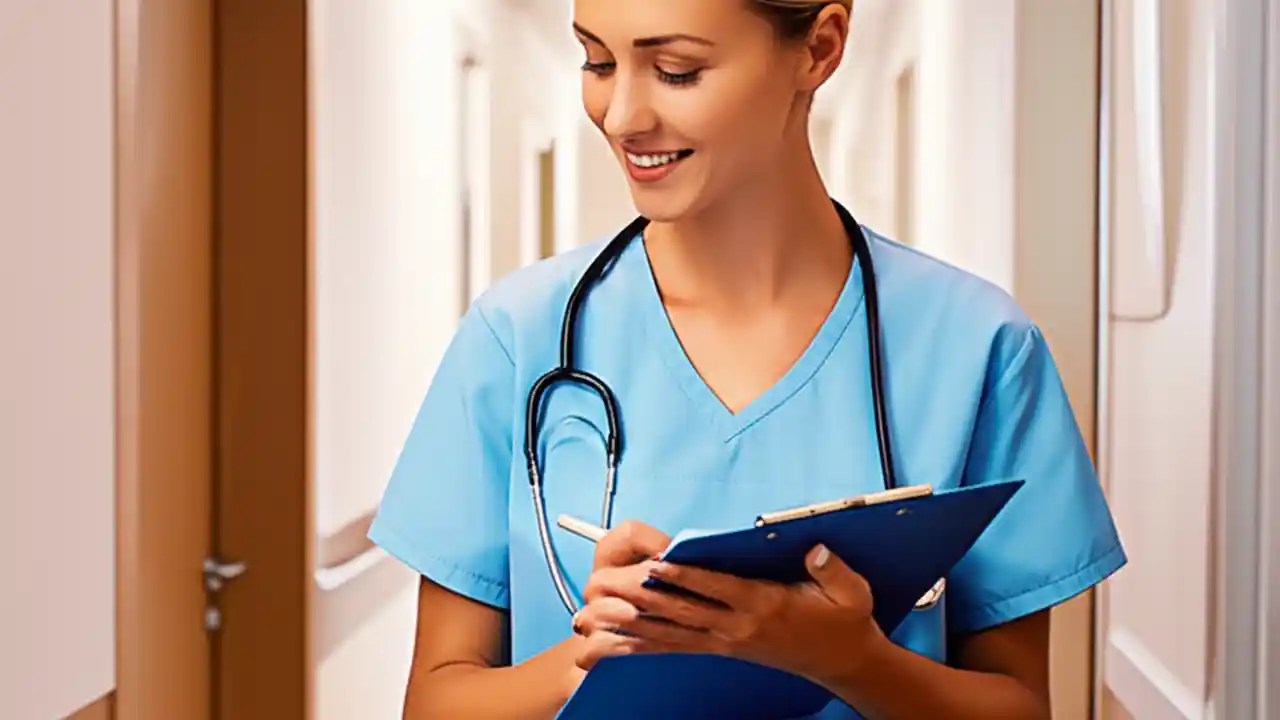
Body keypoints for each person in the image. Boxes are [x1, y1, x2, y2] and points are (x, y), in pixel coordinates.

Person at [368, 1, 1127, 717]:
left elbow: (1021, 705)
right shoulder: (518, 337)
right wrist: (601, 651)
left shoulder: (978, 347)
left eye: (676, 71)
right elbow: (436, 701)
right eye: (597, 62)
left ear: (819, 48)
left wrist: (851, 661)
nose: (621, 116)